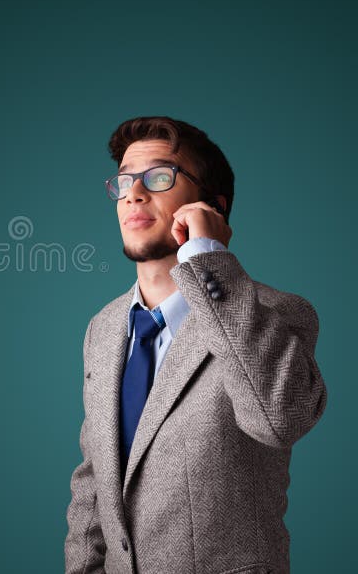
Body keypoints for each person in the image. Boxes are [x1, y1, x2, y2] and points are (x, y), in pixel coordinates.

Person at [64, 116, 326, 574]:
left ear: (213, 207)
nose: (133, 194)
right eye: (124, 181)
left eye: (158, 177)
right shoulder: (102, 328)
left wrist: (209, 260)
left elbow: (279, 420)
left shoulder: (277, 312)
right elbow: (94, 483)